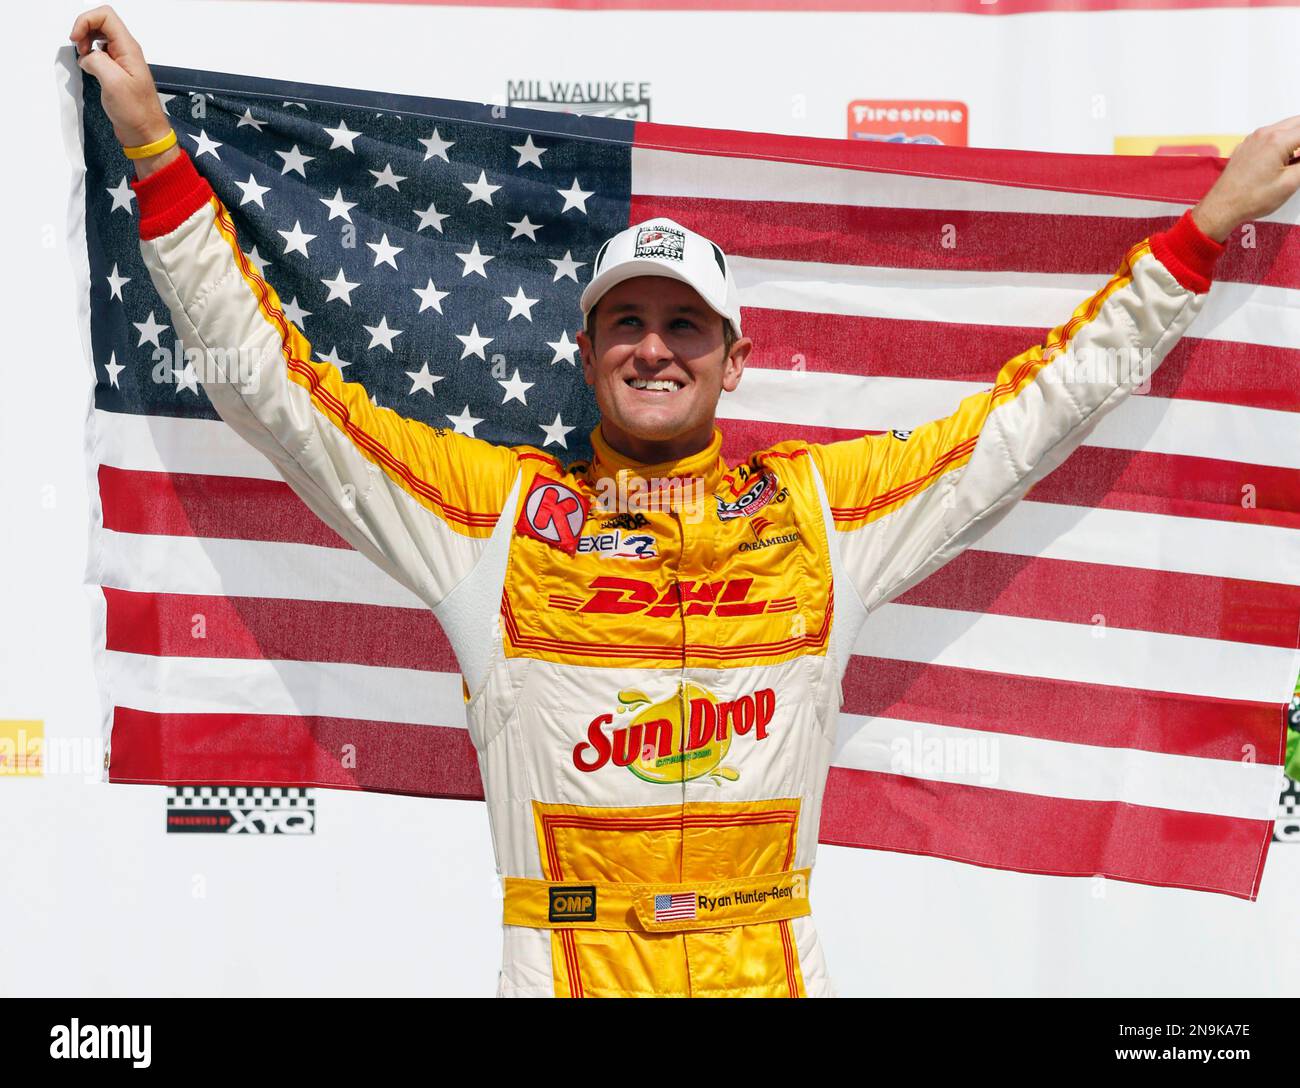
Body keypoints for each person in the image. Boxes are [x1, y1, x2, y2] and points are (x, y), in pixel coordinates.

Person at [69, 5, 1300, 998]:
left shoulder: (821, 512)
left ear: (733, 356)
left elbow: (1027, 420)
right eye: (627, 322)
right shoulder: (491, 519)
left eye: (684, 325)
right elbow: (277, 395)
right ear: (586, 349)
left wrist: (1198, 234)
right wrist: (156, 154)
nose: (655, 349)